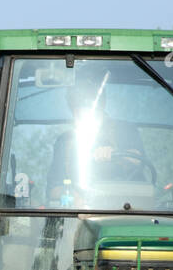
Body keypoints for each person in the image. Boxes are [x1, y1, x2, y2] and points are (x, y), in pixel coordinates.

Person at [46, 67, 149, 204]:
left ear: (102, 104)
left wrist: (116, 154)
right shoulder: (65, 142)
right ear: (71, 108)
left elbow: (139, 159)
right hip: (82, 213)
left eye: (88, 107)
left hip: (128, 209)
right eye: (77, 108)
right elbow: (53, 190)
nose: (82, 115)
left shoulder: (124, 130)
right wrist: (74, 194)